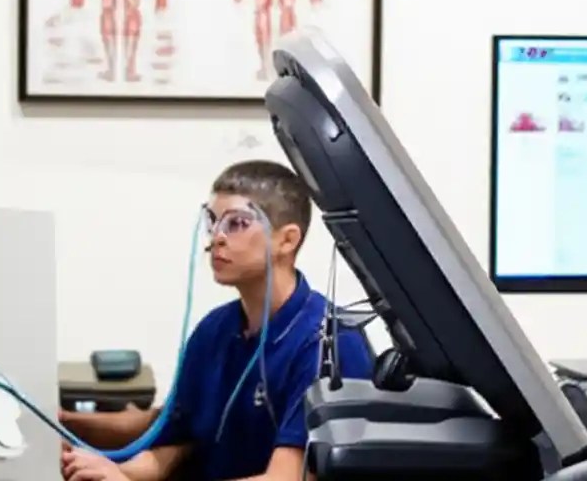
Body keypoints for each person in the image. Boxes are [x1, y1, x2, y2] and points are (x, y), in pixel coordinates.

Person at [60, 160, 375, 481]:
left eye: (236, 223)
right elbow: (175, 447)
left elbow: (284, 478)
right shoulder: (215, 330)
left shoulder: (327, 342)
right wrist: (108, 471)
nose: (216, 238)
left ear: (287, 240)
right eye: (212, 221)